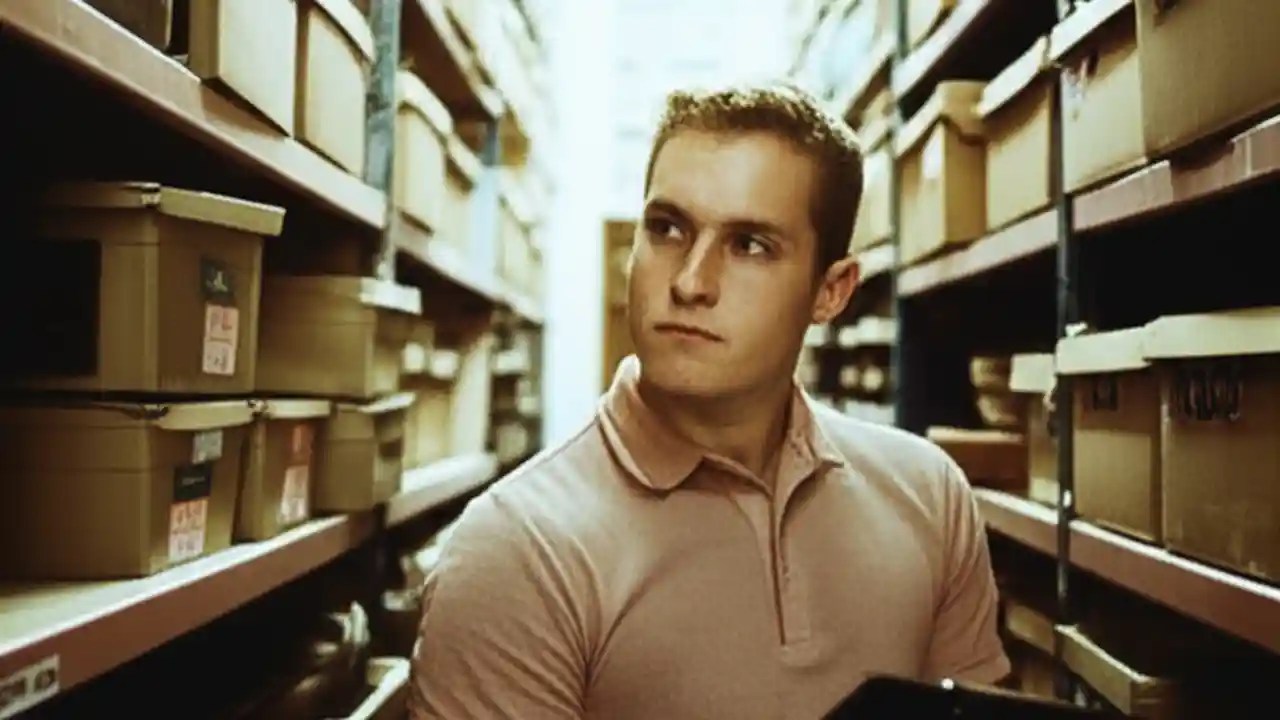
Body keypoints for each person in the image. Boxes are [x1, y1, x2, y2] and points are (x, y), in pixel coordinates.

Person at [408, 82, 1009, 719]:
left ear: (831, 292)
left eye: (750, 245)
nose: (691, 282)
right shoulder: (516, 549)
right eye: (668, 228)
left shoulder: (930, 496)